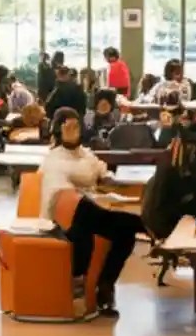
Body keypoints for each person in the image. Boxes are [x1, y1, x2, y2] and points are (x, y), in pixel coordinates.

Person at [38, 108, 142, 316]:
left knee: (124, 233)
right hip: (62, 218)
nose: (74, 131)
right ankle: (147, 226)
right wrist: (95, 184)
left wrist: (107, 178)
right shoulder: (54, 159)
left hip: (90, 211)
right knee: (89, 221)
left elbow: (100, 169)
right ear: (58, 129)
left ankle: (105, 285)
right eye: (68, 126)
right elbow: (71, 188)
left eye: (77, 126)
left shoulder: (85, 153)